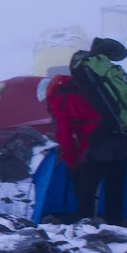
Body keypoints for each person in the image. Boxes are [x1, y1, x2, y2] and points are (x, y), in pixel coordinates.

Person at [68, 38, 127, 225]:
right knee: (115, 187)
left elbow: (101, 108)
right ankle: (114, 224)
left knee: (88, 187)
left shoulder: (89, 74)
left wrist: (94, 138)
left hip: (102, 140)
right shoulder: (110, 73)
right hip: (124, 137)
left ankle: (86, 225)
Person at [41, 74, 101, 219]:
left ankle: (87, 224)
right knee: (112, 189)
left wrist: (72, 162)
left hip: (90, 149)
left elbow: (64, 136)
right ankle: (114, 223)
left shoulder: (59, 102)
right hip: (111, 141)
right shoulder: (85, 91)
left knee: (84, 189)